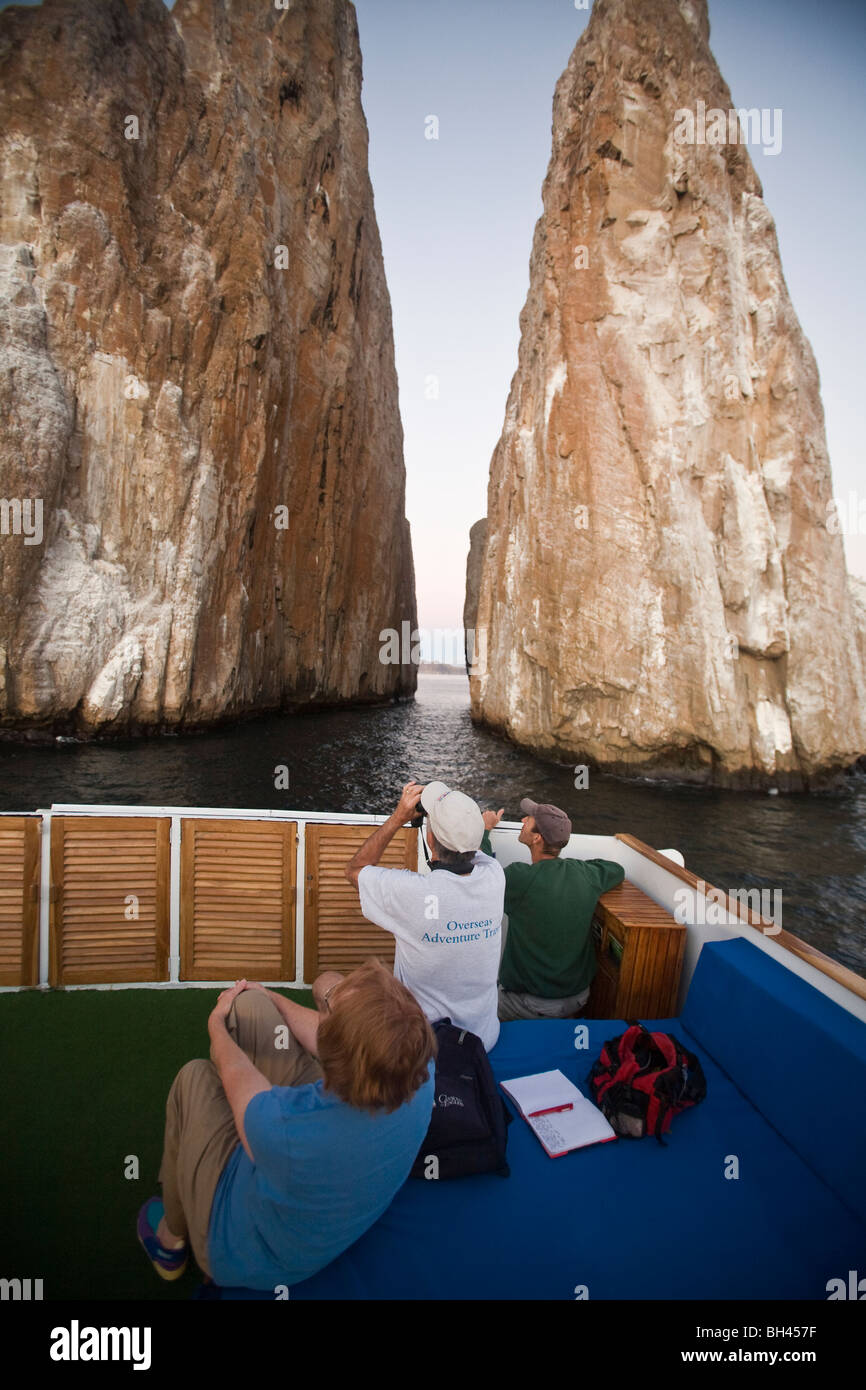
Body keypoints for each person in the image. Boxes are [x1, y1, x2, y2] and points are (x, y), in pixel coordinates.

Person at [137, 959, 435, 1291]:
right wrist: (270, 996)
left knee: (194, 1078)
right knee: (250, 1005)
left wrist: (216, 1024)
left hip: (248, 1248)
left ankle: (170, 1239)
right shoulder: (420, 1066)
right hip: (322, 1167)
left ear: (336, 1057)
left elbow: (232, 1073)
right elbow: (324, 1036)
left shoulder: (287, 1128)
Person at [340, 780, 505, 1051]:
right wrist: (481, 826)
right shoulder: (495, 876)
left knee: (329, 985)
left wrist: (398, 818)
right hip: (482, 1041)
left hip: (423, 1045)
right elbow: (475, 851)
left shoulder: (413, 894)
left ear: (429, 839)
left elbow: (355, 870)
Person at [481, 797, 625, 1021]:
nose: (522, 819)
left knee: (477, 1011)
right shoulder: (585, 874)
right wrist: (582, 867)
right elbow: (616, 869)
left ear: (537, 838)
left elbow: (483, 875)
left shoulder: (520, 878)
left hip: (529, 1005)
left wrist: (485, 830)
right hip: (578, 998)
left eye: (527, 819)